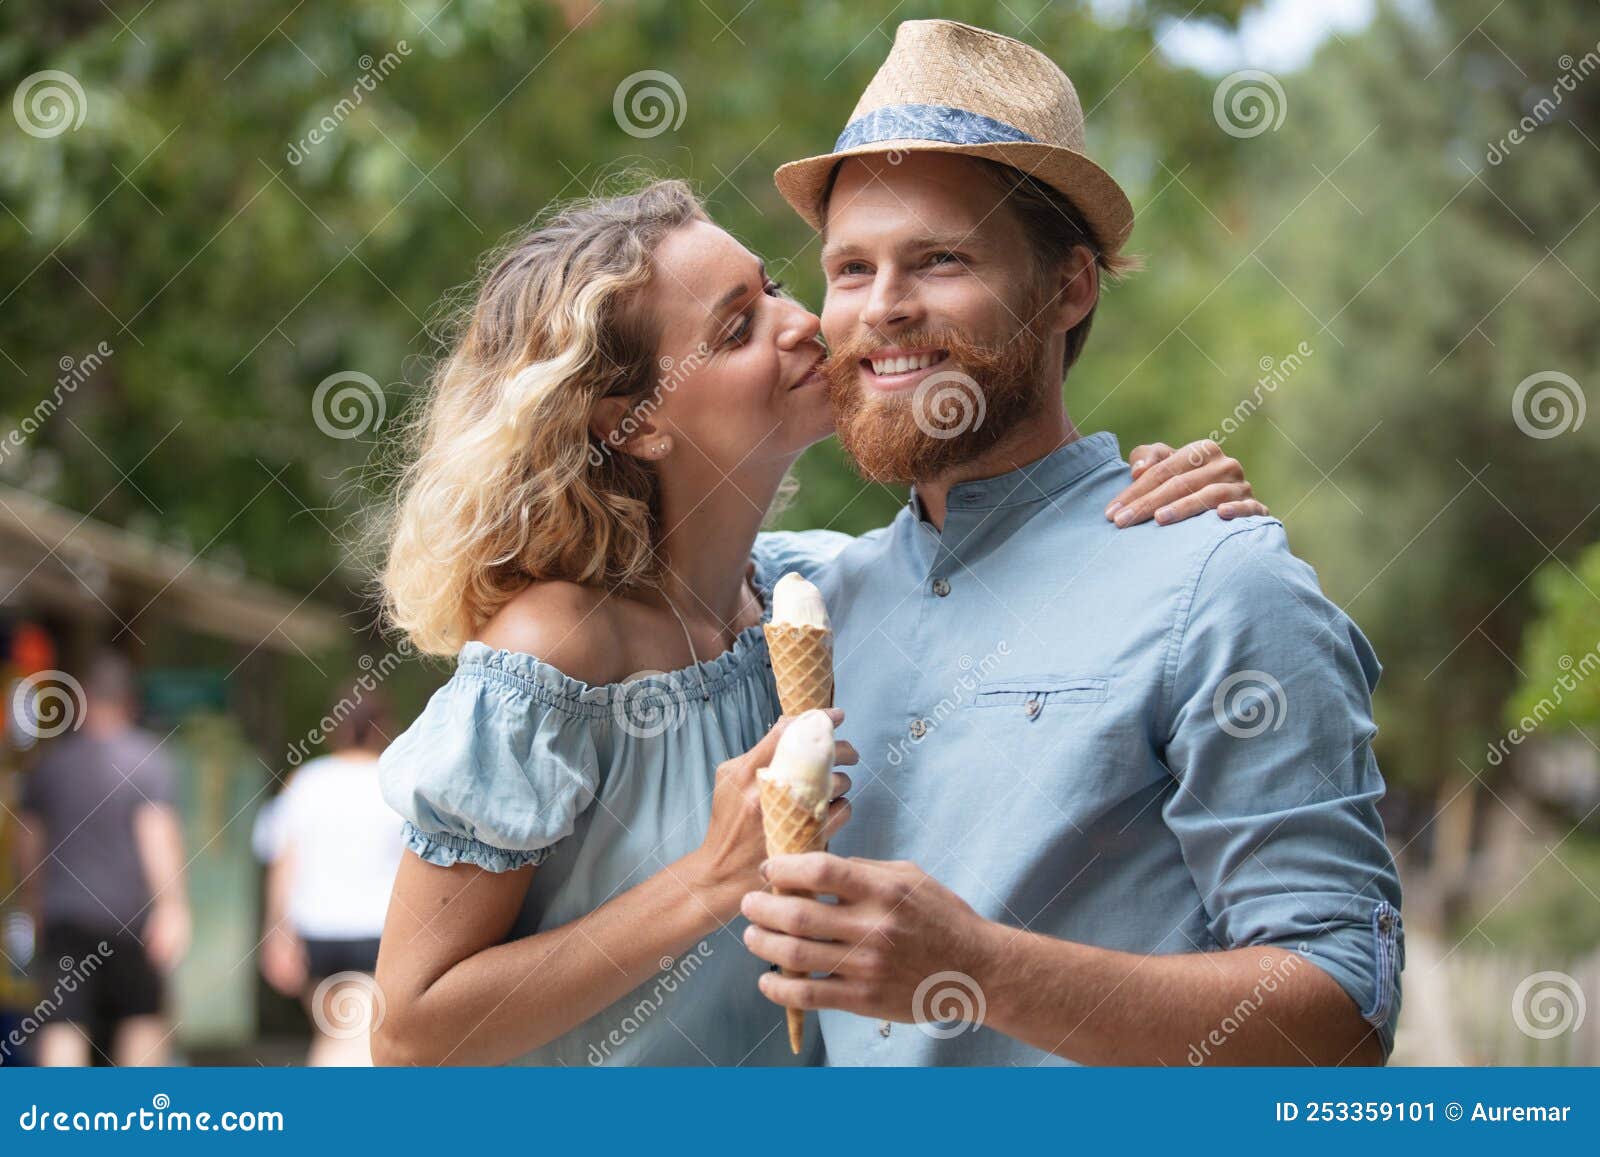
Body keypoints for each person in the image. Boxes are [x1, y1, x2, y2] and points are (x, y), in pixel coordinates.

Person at [369, 176, 1262, 1064]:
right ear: (634, 424)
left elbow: (996, 563)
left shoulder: (820, 593)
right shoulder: (556, 648)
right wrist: (706, 882)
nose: (800, 324)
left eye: (772, 287)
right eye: (734, 330)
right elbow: (409, 1029)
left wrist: (1161, 490)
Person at [738, 19, 1403, 1066]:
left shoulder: (1220, 582)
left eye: (941, 259)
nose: (884, 309)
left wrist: (984, 967)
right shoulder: (799, 598)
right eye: (851, 268)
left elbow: (1343, 1010)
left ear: (1069, 286)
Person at [14, 650, 190, 1066]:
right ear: (128, 700)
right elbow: (157, 836)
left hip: (64, 917)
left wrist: (33, 904)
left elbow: (28, 844)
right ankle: (138, 1122)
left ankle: (58, 1124)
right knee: (142, 1018)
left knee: (63, 1022)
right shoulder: (148, 759)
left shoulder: (50, 765)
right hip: (130, 919)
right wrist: (173, 907)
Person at [256, 690, 403, 1065]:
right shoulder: (395, 782)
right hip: (377, 932)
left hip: (317, 933)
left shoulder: (306, 781)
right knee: (353, 1042)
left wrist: (276, 933)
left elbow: (283, 863)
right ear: (382, 727)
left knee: (335, 1031)